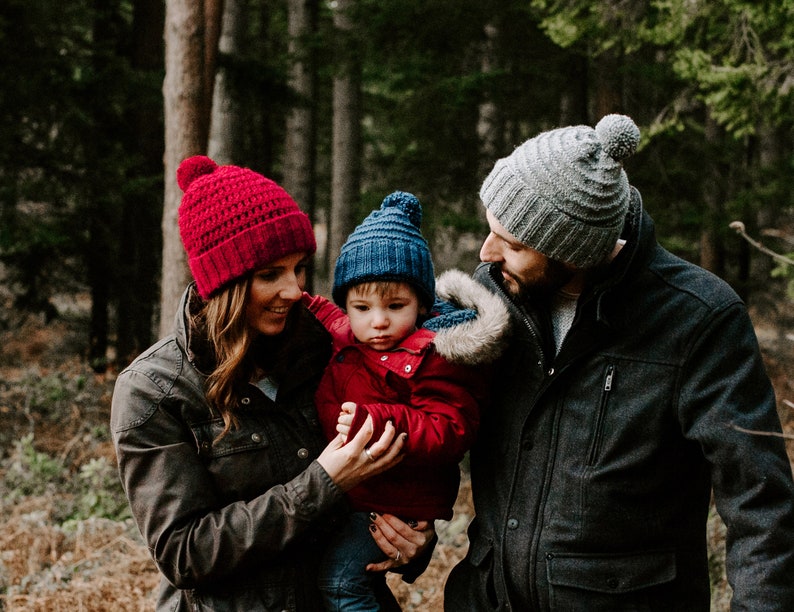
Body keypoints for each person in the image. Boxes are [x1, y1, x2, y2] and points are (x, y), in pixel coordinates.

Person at [444, 114, 794, 610]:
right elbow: (430, 416)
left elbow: (761, 503)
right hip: (489, 599)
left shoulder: (698, 319)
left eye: (514, 244)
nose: (486, 252)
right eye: (491, 229)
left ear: (575, 251)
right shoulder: (489, 298)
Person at [110, 156, 435, 611]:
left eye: (299, 267)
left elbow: (397, 461)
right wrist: (322, 482)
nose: (295, 289)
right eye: (269, 275)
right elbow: (185, 552)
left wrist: (411, 542)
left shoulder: (330, 348)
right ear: (222, 284)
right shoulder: (155, 391)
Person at [303, 190, 510, 611]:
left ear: (420, 303)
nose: (378, 321)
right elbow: (324, 313)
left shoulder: (435, 356)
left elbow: (450, 428)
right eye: (362, 307)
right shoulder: (350, 333)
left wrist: (378, 423)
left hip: (391, 505)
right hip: (355, 495)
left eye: (396, 305)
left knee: (342, 583)